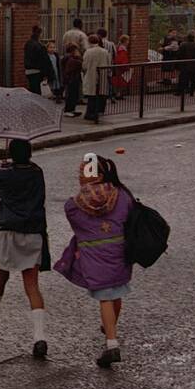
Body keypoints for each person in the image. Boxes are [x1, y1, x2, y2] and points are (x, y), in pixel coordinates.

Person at [54, 155, 133, 369]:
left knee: (105, 296)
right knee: (116, 291)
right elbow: (128, 216)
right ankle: (110, 328)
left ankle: (111, 344)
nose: (79, 176)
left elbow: (78, 228)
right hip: (119, 252)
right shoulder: (122, 195)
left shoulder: (73, 206)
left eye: (82, 172)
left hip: (94, 256)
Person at [0, 139, 50, 359]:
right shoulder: (37, 172)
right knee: (32, 286)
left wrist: (5, 165)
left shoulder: (6, 174)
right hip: (33, 233)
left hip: (9, 231)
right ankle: (39, 337)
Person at [81, 35, 112, 122]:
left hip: (91, 75)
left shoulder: (88, 52)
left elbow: (84, 65)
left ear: (89, 42)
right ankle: (99, 111)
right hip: (103, 75)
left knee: (92, 95)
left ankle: (90, 113)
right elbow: (109, 64)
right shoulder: (105, 52)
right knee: (101, 93)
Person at [23, 25, 50, 95]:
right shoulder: (39, 46)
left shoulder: (27, 43)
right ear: (39, 34)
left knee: (32, 88)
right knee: (37, 91)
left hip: (28, 70)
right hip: (37, 71)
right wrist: (46, 73)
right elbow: (43, 60)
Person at [175, 32, 195, 97]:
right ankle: (191, 92)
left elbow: (179, 55)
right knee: (193, 80)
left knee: (183, 79)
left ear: (187, 38)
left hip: (185, 65)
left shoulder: (183, 45)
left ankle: (180, 91)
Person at [61, 43, 83, 117]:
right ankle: (68, 110)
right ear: (73, 50)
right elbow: (78, 64)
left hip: (73, 78)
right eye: (76, 49)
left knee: (74, 95)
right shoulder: (71, 59)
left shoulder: (70, 57)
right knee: (71, 95)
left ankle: (72, 109)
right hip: (71, 79)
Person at [111, 34, 132, 102]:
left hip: (119, 67)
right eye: (128, 41)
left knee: (119, 81)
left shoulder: (119, 48)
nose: (128, 42)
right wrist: (126, 66)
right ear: (125, 41)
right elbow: (122, 59)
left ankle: (118, 94)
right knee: (121, 81)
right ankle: (118, 94)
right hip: (121, 68)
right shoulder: (122, 49)